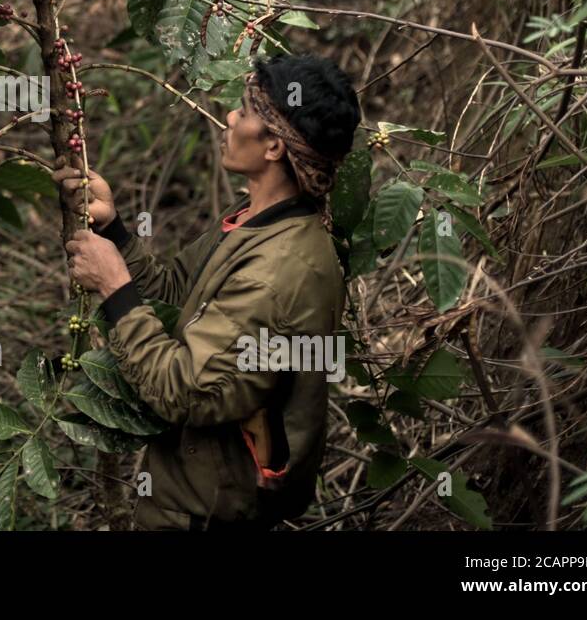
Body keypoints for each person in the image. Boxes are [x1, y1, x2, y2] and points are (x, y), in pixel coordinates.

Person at [54, 53, 361, 530]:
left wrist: (115, 288)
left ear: (275, 147)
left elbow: (186, 391)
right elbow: (180, 295)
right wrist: (114, 232)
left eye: (244, 110)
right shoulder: (261, 222)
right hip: (190, 496)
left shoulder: (278, 271)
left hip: (206, 514)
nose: (230, 118)